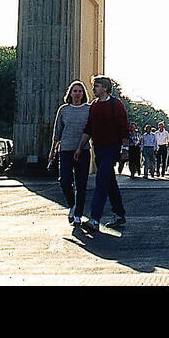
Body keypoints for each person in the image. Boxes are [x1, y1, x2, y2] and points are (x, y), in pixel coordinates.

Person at [77, 75, 128, 230]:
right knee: (109, 182)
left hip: (112, 148)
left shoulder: (116, 104)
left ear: (105, 88)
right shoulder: (94, 106)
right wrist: (80, 148)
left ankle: (94, 219)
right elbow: (88, 129)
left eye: (97, 86)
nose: (94, 88)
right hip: (98, 148)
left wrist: (125, 149)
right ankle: (119, 214)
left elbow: (123, 128)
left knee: (101, 180)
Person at [52, 80, 91, 226]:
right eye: (75, 91)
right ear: (70, 93)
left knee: (81, 184)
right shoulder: (63, 110)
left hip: (83, 151)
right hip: (66, 150)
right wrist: (52, 151)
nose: (77, 94)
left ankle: (78, 216)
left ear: (83, 94)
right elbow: (57, 132)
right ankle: (72, 205)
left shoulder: (88, 109)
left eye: (80, 91)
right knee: (64, 181)